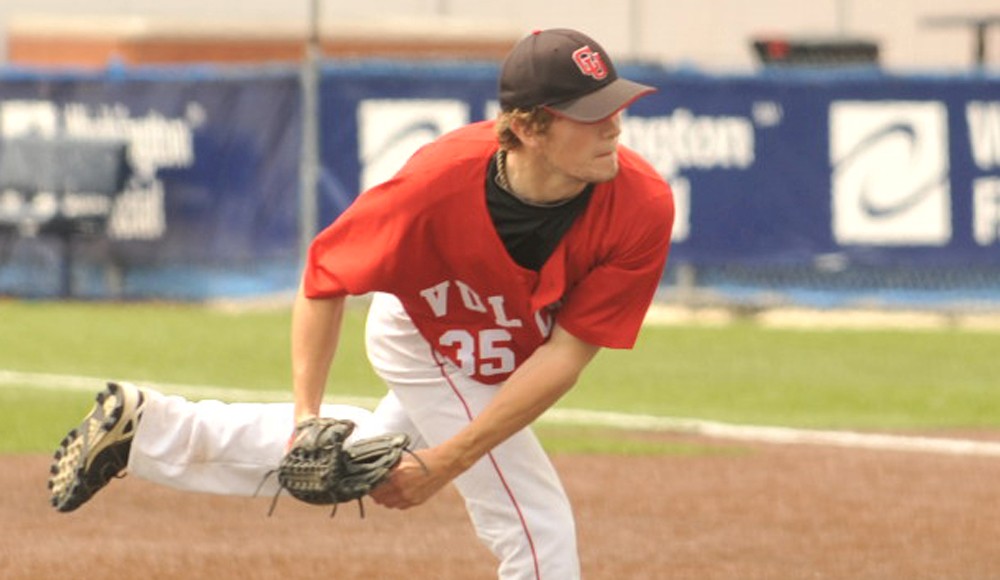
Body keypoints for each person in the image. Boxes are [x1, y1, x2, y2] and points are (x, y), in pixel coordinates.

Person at [48, 28, 674, 580]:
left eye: (615, 106)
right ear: (530, 128)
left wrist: (442, 460)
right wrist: (306, 417)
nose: (614, 126)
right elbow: (323, 279)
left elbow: (565, 355)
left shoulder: (641, 205)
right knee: (536, 521)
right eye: (591, 114)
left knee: (358, 458)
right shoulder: (436, 182)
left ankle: (146, 430)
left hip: (496, 341)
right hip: (422, 334)